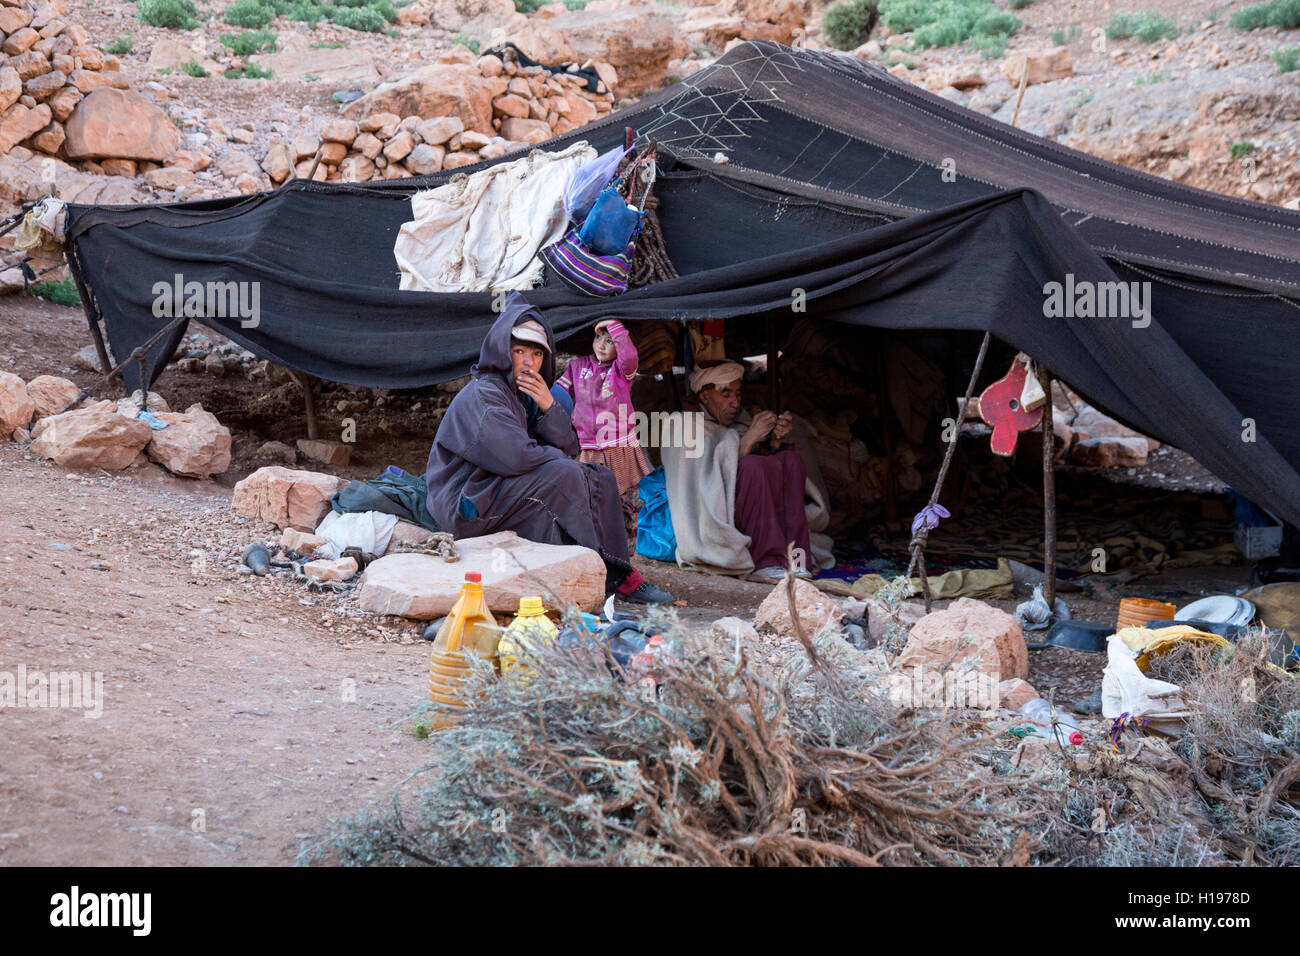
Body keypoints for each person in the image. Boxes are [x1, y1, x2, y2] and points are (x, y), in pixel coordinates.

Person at [424, 295, 673, 604]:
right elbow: (519, 457)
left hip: (497, 488)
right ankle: (585, 572)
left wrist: (549, 406)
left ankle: (620, 574)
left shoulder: (526, 394)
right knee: (564, 474)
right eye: (519, 351)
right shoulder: (486, 395)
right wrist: (559, 458)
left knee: (599, 476)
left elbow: (569, 445)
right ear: (503, 352)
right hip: (467, 502)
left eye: (537, 353)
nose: (529, 362)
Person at [689, 362, 814, 579]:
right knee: (753, 466)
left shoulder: (742, 420)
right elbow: (708, 480)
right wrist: (747, 441)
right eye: (725, 394)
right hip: (718, 514)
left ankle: (797, 560)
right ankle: (764, 562)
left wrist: (774, 442)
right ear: (704, 396)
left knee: (790, 461)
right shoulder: (688, 424)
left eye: (737, 394)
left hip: (754, 505)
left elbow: (766, 466)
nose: (735, 402)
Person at [556, 318, 650, 534]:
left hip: (619, 446)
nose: (601, 345)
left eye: (609, 341)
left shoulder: (620, 371)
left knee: (624, 500)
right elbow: (558, 395)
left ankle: (625, 546)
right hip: (590, 447)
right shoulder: (577, 367)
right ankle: (598, 543)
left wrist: (614, 325)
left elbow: (629, 357)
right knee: (592, 497)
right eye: (599, 337)